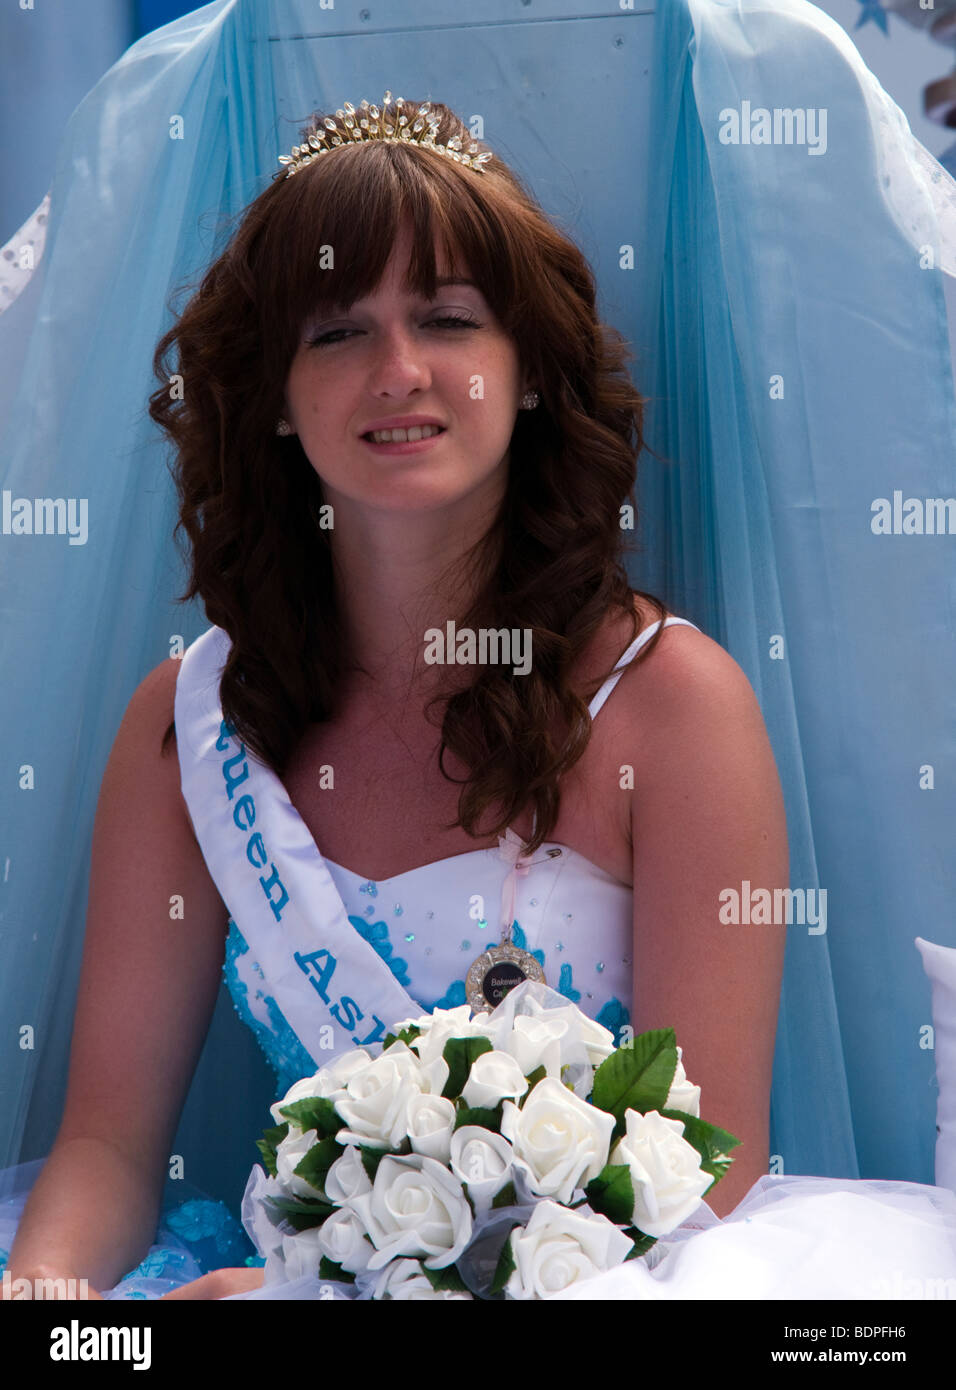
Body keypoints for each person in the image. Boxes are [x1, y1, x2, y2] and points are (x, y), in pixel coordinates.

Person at [0, 94, 948, 1303]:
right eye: (336, 332)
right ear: (277, 396)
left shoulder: (667, 707)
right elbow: (106, 1146)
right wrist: (47, 1293)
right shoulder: (186, 724)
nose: (399, 372)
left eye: (448, 319)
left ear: (531, 373)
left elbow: (706, 1176)